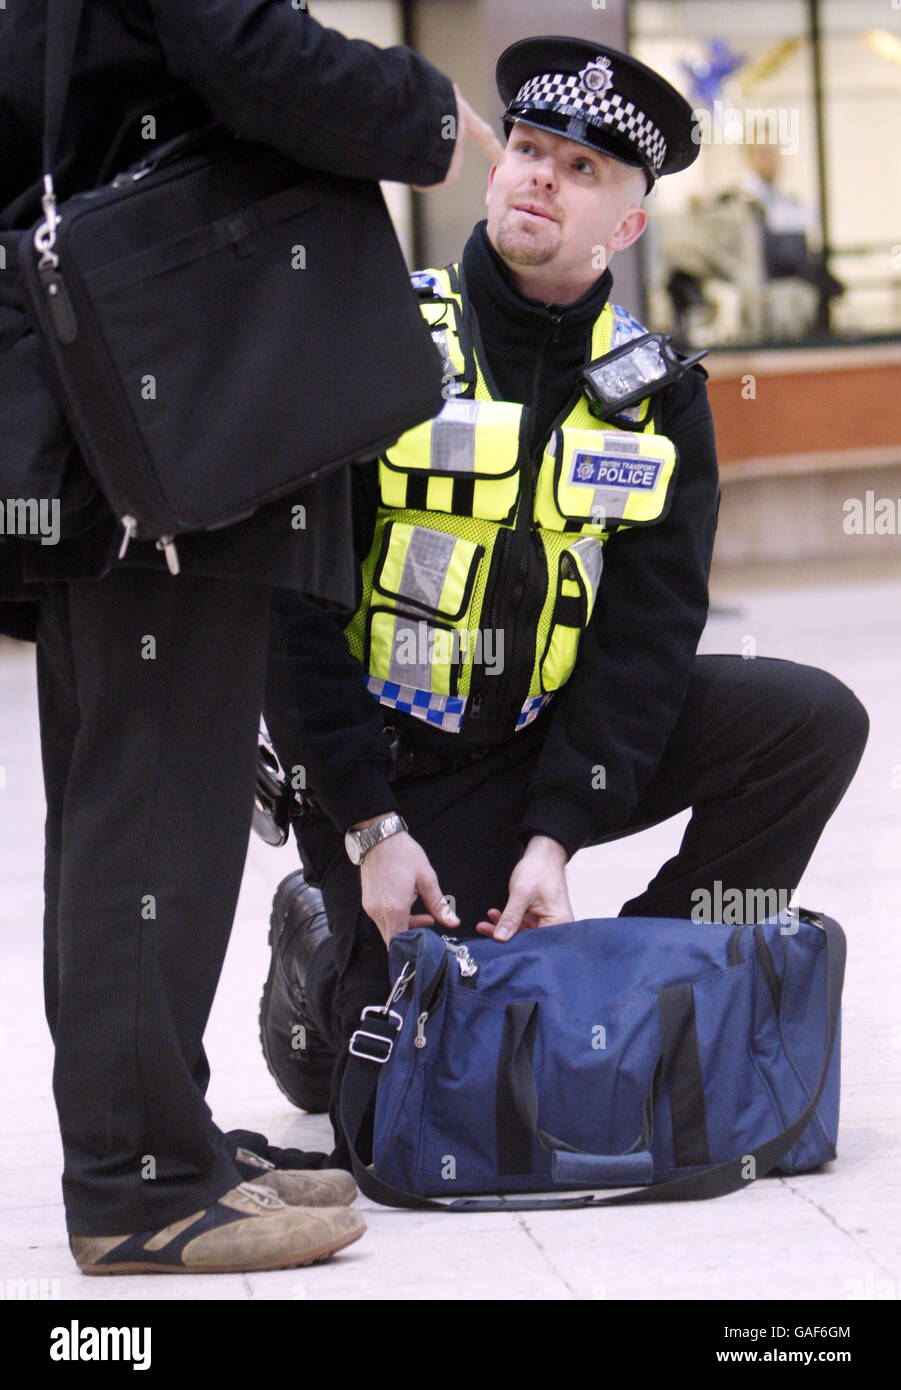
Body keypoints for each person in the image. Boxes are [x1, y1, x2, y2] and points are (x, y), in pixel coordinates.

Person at [260, 37, 870, 1170]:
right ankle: (315, 941)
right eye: (529, 150)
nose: (540, 174)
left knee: (810, 720)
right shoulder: (378, 335)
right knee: (379, 1103)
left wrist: (561, 833)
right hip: (388, 774)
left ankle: (639, 979)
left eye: (582, 169)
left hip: (536, 750)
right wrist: (365, 827)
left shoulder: (660, 401)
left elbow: (646, 640)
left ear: (627, 227)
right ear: (493, 177)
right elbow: (288, 610)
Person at [0, 0, 501, 1275]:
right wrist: (427, 115)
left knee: (124, 803)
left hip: (114, 396)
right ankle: (139, 1183)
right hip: (167, 417)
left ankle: (160, 1136)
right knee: (152, 806)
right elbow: (249, 52)